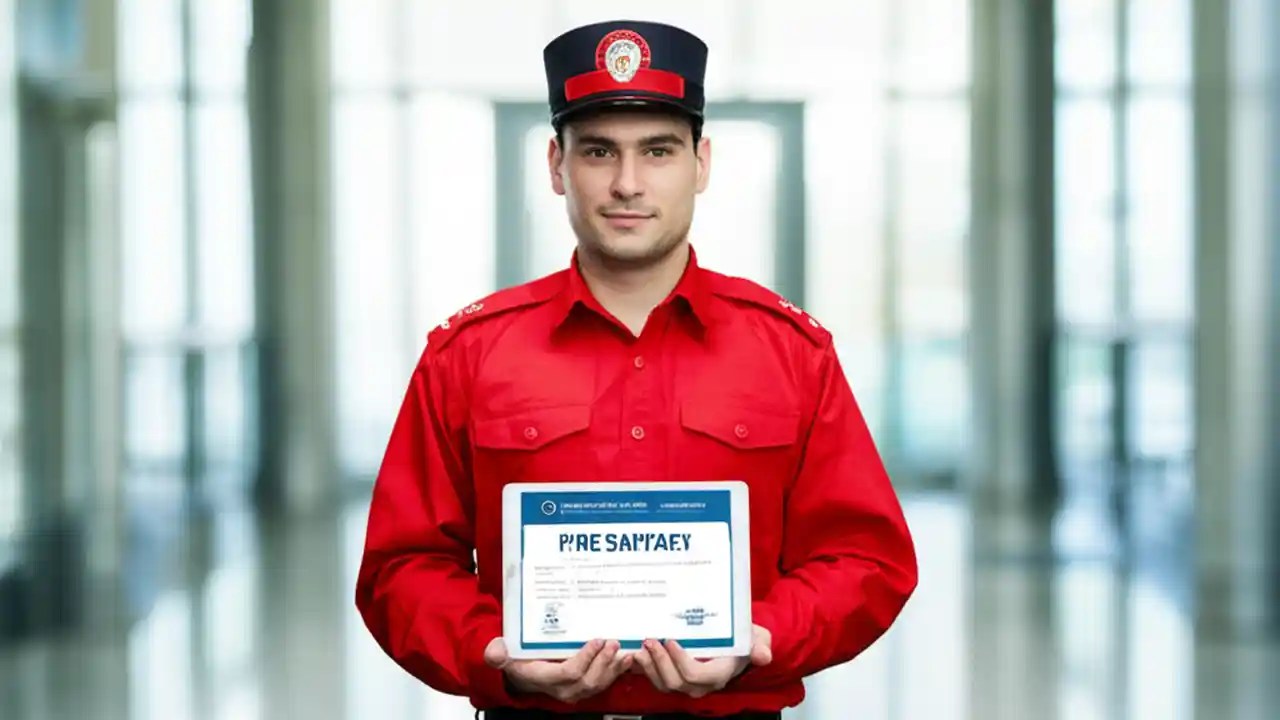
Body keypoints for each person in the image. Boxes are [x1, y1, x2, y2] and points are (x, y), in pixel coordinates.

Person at [355, 19, 918, 720]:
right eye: (598, 152)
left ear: (700, 163)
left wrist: (764, 638)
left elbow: (866, 560)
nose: (627, 183)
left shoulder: (790, 352)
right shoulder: (468, 354)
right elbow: (399, 570)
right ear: (557, 167)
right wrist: (494, 649)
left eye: (657, 151)